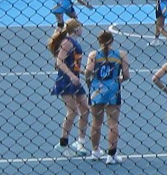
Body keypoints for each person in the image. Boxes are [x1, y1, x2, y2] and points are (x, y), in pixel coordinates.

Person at [49, 18, 91, 155]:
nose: (82, 29)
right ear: (75, 29)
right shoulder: (67, 42)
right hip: (66, 81)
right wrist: (71, 76)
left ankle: (81, 142)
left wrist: (83, 72)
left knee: (85, 109)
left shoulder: (74, 42)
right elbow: (59, 61)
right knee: (72, 111)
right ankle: (63, 143)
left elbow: (73, 63)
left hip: (75, 80)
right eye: (80, 27)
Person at [85, 28, 127, 163]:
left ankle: (95, 151)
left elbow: (88, 71)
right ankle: (111, 154)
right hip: (113, 89)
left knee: (96, 122)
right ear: (112, 41)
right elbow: (126, 75)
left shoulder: (93, 55)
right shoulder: (120, 54)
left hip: (97, 88)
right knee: (113, 122)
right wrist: (118, 80)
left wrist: (89, 82)